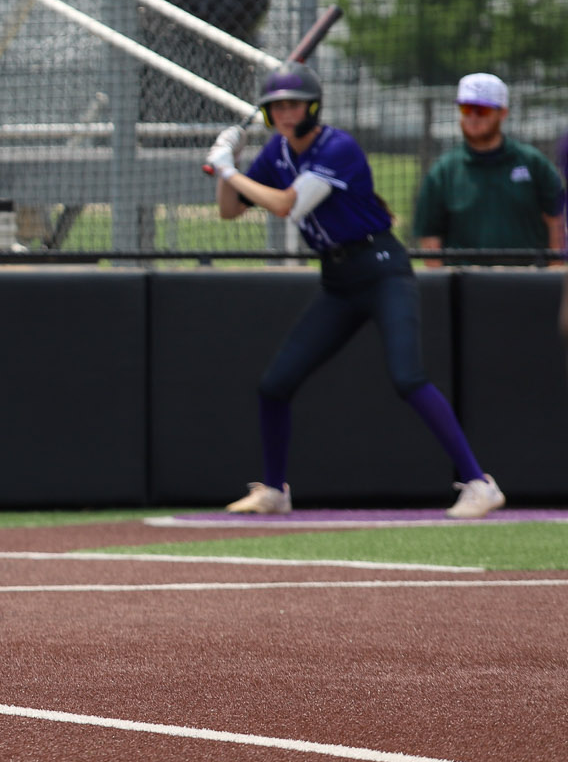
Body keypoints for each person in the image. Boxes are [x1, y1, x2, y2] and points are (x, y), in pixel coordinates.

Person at [206, 62, 505, 519]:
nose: (285, 114)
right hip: (339, 280)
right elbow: (230, 211)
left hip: (382, 270)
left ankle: (480, 484)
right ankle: (274, 490)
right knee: (275, 384)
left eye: (294, 105)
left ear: (312, 107)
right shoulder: (277, 153)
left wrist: (229, 169)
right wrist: (226, 162)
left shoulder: (336, 146)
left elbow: (287, 205)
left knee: (408, 378)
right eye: (277, 107)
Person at [411, 72, 564, 264]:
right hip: (464, 279)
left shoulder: (532, 162)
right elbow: (430, 238)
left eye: (482, 110)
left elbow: (556, 220)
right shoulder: (443, 171)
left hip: (528, 277)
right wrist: (442, 281)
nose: (473, 117)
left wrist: (554, 270)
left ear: (503, 113)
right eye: (466, 109)